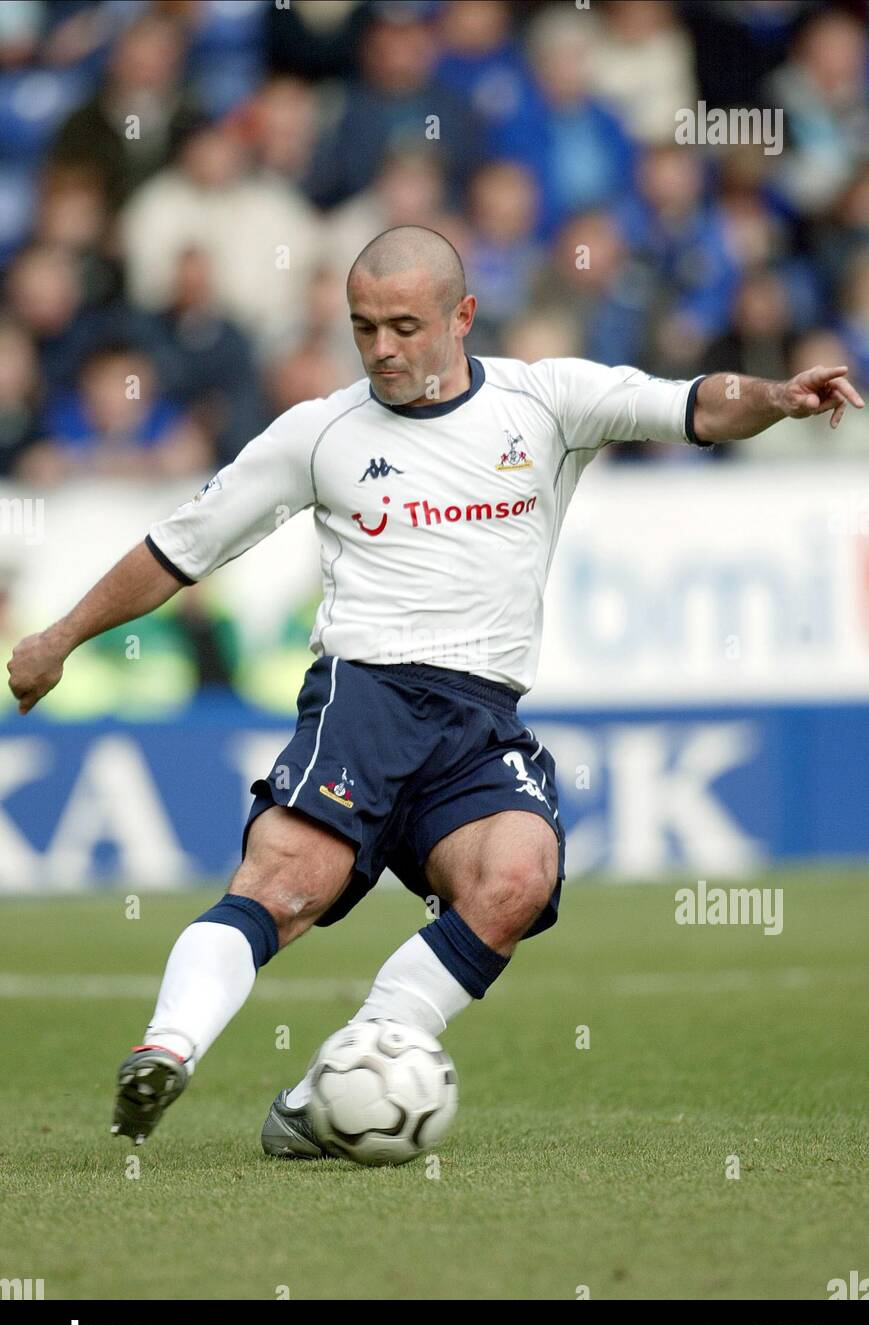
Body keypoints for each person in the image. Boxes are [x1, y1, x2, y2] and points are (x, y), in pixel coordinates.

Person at [7, 225, 864, 1155]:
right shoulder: (317, 433)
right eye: (362, 326)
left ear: (461, 316)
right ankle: (166, 1052)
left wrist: (775, 397)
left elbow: (695, 405)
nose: (381, 349)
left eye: (403, 326)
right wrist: (59, 639)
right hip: (365, 696)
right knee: (287, 888)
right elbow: (180, 547)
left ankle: (332, 1087)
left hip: (481, 718)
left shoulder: (547, 399)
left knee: (518, 878)